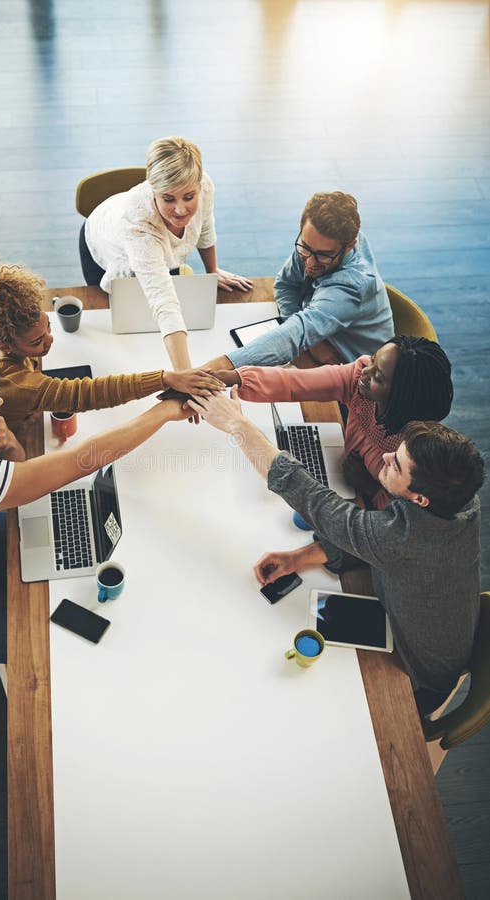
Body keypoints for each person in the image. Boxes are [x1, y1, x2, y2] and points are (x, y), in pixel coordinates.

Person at [0, 343, 191, 664]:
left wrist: (10, 446)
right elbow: (83, 460)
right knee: (51, 653)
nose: (0, 406)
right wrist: (164, 412)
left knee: (60, 522)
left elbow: (17, 467)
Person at [188, 389, 483, 717]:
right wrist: (299, 558)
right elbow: (392, 550)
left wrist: (237, 424)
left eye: (396, 465)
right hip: (426, 617)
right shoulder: (462, 501)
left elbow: (312, 498)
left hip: (417, 673)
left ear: (420, 499)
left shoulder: (402, 538)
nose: (386, 458)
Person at [0, 260, 224, 438]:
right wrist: (165, 378)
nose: (50, 341)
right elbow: (87, 394)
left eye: (48, 328)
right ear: (5, 345)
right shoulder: (17, 386)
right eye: (37, 342)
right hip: (22, 436)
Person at [215, 335, 453, 509]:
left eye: (378, 376)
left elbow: (401, 519)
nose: (364, 372)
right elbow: (292, 382)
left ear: (403, 397)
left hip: (364, 509)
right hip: (345, 469)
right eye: (372, 360)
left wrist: (369, 488)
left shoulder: (412, 451)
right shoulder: (359, 378)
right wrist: (229, 379)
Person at [80, 136, 253, 371]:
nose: (181, 209)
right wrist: (185, 377)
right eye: (168, 199)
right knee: (120, 319)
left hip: (150, 243)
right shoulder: (138, 224)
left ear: (199, 185)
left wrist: (212, 270)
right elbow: (164, 301)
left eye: (189, 197)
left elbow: (205, 226)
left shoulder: (205, 186)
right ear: (153, 189)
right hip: (105, 244)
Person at [205, 191, 393, 371]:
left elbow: (293, 336)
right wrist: (312, 342)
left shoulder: (352, 287)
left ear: (349, 245)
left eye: (323, 255)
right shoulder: (320, 244)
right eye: (305, 247)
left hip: (357, 372)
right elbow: (285, 284)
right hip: (323, 344)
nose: (310, 263)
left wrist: (218, 366)